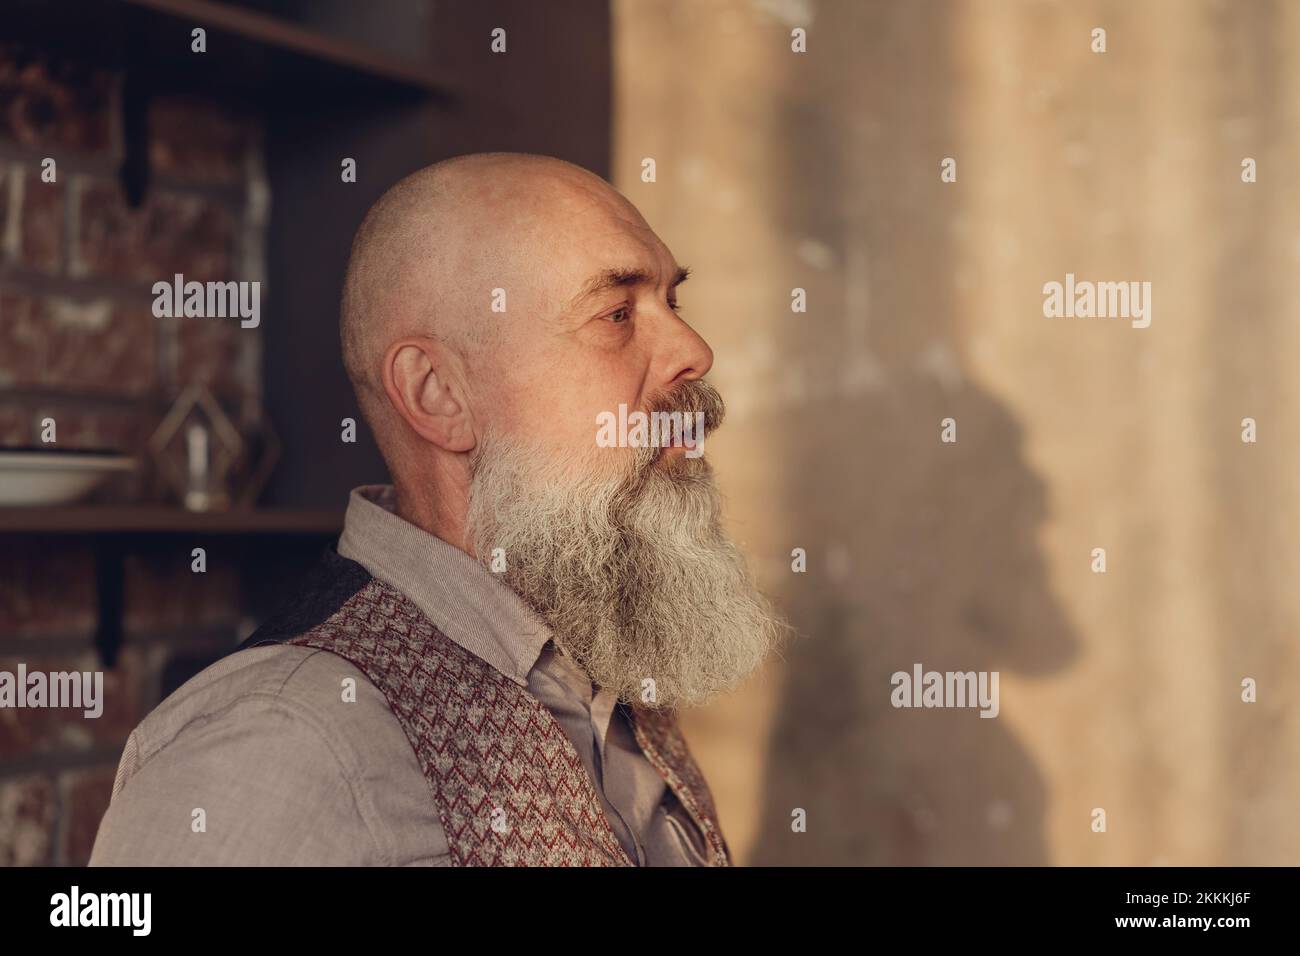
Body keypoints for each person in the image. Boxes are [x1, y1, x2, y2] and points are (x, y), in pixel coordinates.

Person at [89, 152, 785, 866]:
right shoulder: (283, 739)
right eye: (615, 313)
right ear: (437, 396)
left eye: (673, 302)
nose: (694, 350)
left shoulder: (610, 660)